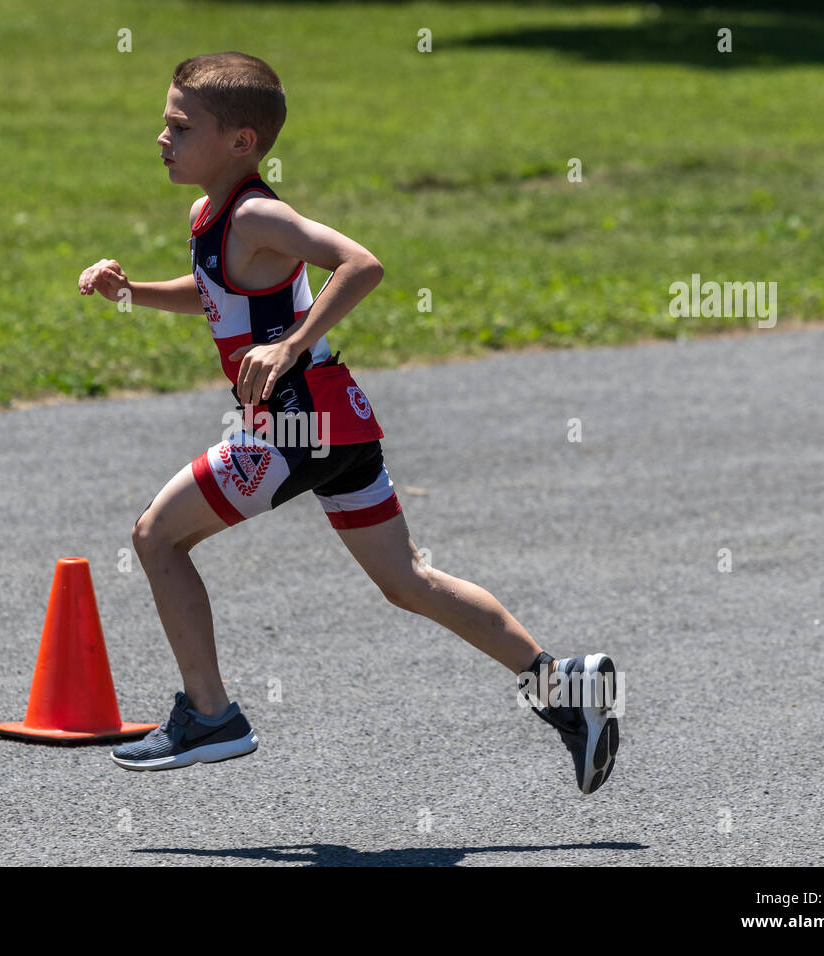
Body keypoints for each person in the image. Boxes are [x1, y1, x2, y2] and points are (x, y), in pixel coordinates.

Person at [77, 52, 619, 793]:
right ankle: (563, 686)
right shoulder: (208, 216)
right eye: (165, 121)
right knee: (408, 579)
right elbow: (212, 295)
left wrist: (291, 343)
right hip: (339, 423)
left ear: (240, 141)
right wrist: (129, 292)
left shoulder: (259, 214)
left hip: (295, 424)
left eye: (180, 125)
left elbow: (361, 264)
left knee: (156, 536)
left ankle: (211, 717)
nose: (162, 136)